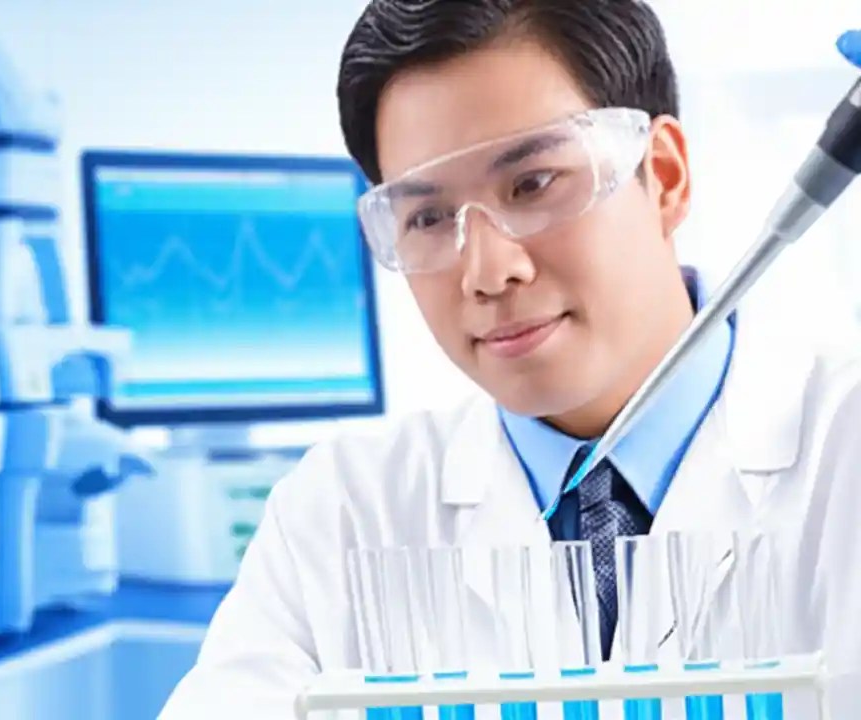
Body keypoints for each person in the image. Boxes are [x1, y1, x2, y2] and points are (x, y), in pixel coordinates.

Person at [160, 2, 861, 718]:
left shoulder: (847, 452)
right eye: (429, 218)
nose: (488, 271)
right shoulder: (344, 510)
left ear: (665, 175)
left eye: (533, 184)